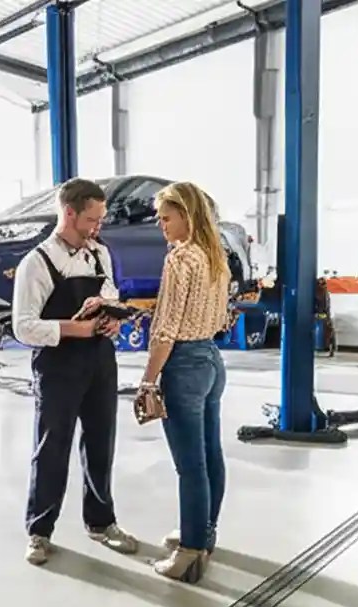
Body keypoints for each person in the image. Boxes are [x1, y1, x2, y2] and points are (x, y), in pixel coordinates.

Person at [11, 177, 141, 566]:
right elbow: (23, 326)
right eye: (91, 219)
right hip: (58, 365)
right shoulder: (37, 262)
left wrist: (111, 320)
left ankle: (102, 522)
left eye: (100, 219)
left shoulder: (99, 254)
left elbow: (112, 296)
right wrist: (74, 328)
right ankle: (39, 531)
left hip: (100, 359)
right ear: (69, 213)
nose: (98, 227)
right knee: (52, 448)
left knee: (101, 444)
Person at [137, 181, 231, 584]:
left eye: (167, 217)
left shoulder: (180, 259)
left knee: (189, 465)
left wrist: (147, 380)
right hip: (212, 360)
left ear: (187, 216)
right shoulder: (216, 257)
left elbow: (168, 329)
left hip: (184, 365)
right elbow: (220, 318)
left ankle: (189, 553)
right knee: (210, 455)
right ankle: (203, 534)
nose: (161, 225)